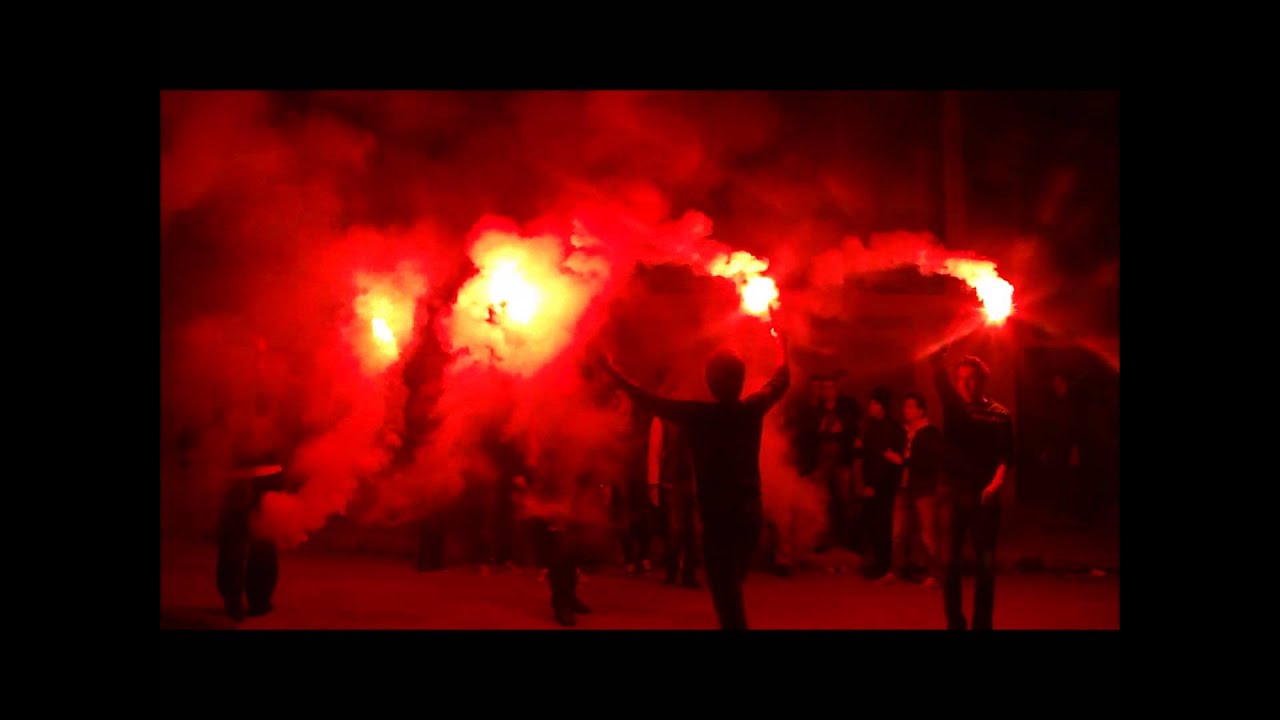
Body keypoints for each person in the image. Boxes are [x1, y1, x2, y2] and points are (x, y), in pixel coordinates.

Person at [600, 333, 789, 630]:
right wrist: (782, 342)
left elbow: (648, 400)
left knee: (727, 599)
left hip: (719, 522)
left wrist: (611, 370)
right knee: (731, 592)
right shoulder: (752, 409)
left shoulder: (699, 415)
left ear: (710, 382)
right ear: (741, 381)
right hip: (750, 516)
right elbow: (781, 381)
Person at [930, 346, 1014, 631]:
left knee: (985, 565)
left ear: (983, 380)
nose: (965, 384)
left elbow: (1006, 457)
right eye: (961, 379)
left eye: (971, 378)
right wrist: (938, 354)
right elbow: (939, 379)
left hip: (984, 495)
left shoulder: (1000, 415)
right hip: (952, 494)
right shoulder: (954, 408)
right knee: (950, 563)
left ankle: (982, 625)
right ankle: (955, 623)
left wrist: (995, 483)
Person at [883, 392, 945, 586]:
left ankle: (934, 574)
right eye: (905, 406)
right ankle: (895, 570)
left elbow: (930, 462)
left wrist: (903, 461)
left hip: (923, 488)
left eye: (911, 407)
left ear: (921, 411)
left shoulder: (930, 433)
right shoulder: (904, 433)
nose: (906, 410)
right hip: (903, 487)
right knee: (898, 532)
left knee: (927, 532)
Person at [216, 462, 287, 621]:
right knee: (254, 548)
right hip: (256, 480)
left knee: (249, 549)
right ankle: (253, 603)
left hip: (247, 480)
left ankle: (243, 603)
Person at [858, 386, 905, 579]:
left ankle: (883, 566)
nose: (870, 407)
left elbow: (884, 461)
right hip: (876, 485)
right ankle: (878, 563)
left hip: (883, 487)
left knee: (882, 526)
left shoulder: (890, 429)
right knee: (875, 525)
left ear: (882, 406)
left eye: (874, 403)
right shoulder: (873, 427)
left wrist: (873, 484)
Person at [654, 417, 700, 587]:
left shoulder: (697, 420)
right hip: (674, 482)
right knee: (676, 530)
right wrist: (653, 483)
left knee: (692, 532)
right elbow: (656, 451)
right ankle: (673, 572)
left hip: (693, 482)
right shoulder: (664, 420)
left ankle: (688, 574)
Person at [1042, 373, 1087, 525]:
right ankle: (1059, 511)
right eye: (1053, 381)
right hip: (1057, 447)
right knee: (1058, 478)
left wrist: (1075, 448)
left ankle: (1077, 514)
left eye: (1057, 381)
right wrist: (1048, 447)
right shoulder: (1055, 403)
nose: (1054, 384)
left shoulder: (1073, 403)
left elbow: (1077, 426)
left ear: (1063, 382)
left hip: (1069, 446)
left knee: (1073, 480)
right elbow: (1052, 427)